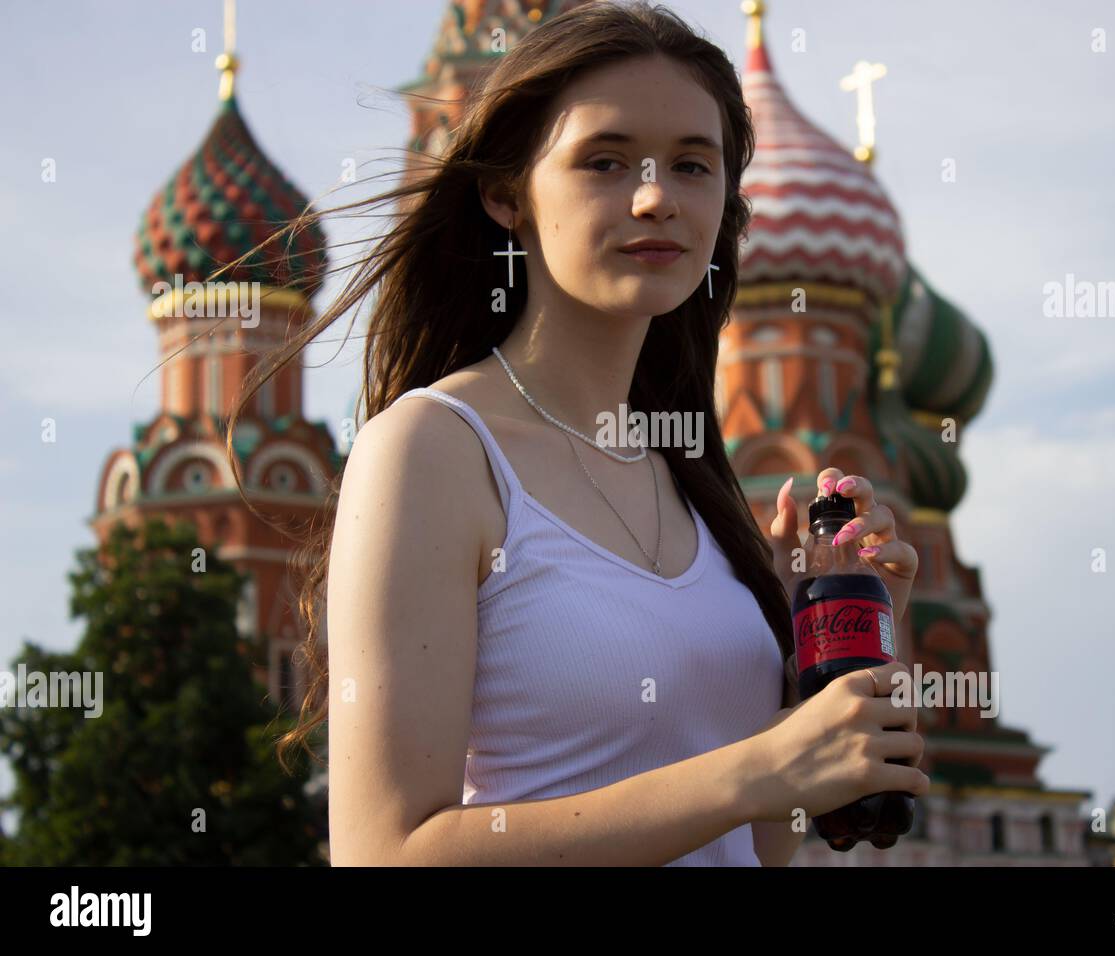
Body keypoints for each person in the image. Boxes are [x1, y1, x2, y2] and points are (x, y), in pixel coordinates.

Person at [248, 0, 927, 866]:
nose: (656, 197)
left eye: (692, 165)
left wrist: (837, 640)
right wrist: (757, 768)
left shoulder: (692, 482)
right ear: (505, 194)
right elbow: (385, 853)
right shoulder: (434, 450)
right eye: (605, 161)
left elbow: (756, 844)